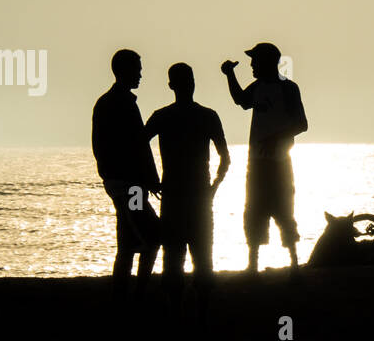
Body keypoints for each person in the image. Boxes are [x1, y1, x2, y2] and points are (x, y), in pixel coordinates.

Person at [145, 63, 230, 311]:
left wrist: (151, 177)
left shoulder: (162, 116)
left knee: (175, 256)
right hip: (196, 195)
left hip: (176, 195)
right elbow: (225, 158)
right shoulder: (207, 116)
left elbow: (139, 144)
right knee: (200, 255)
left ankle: (177, 313)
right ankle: (198, 313)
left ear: (171, 85)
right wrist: (214, 186)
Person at [220, 43, 308, 272]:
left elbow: (302, 124)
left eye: (255, 60)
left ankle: (294, 264)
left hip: (279, 163)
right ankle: (253, 265)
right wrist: (230, 75)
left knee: (284, 211)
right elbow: (241, 101)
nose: (251, 65)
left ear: (268, 62)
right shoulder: (258, 87)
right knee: (254, 211)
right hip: (257, 163)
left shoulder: (288, 88)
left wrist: (275, 139)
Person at [92, 49, 161, 299]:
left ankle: (122, 294)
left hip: (121, 183)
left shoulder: (107, 102)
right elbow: (139, 145)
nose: (141, 74)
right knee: (151, 237)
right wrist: (150, 178)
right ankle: (138, 292)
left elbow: (100, 146)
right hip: (129, 185)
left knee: (129, 242)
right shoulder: (122, 104)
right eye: (137, 69)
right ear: (125, 71)